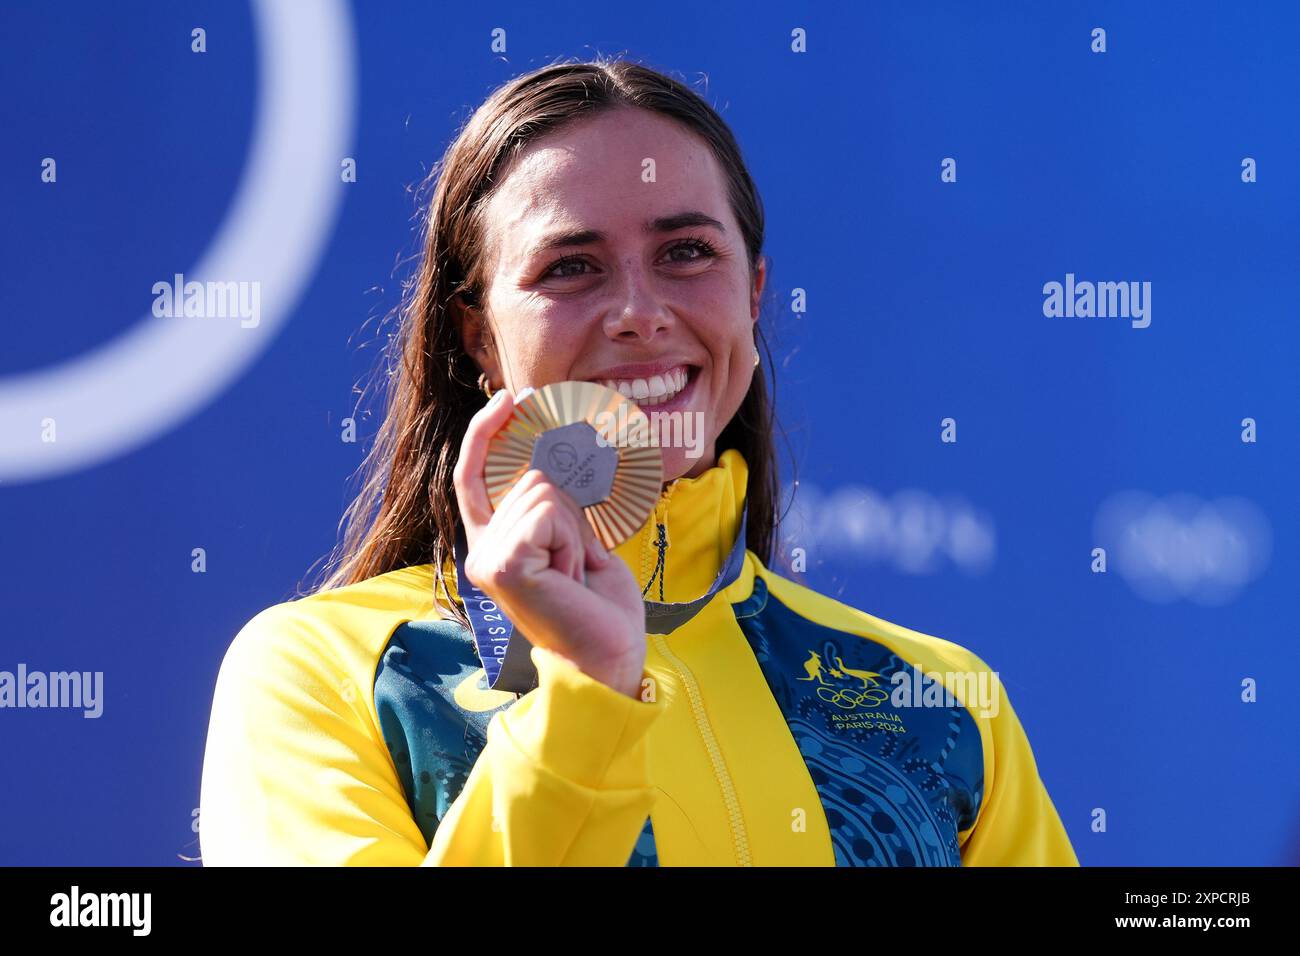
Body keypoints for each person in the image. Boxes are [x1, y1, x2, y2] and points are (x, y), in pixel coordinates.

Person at [198, 57, 1079, 867]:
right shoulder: (319, 671)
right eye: (571, 267)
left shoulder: (941, 701)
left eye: (687, 252)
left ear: (754, 292)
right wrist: (581, 696)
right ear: (479, 337)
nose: (639, 311)